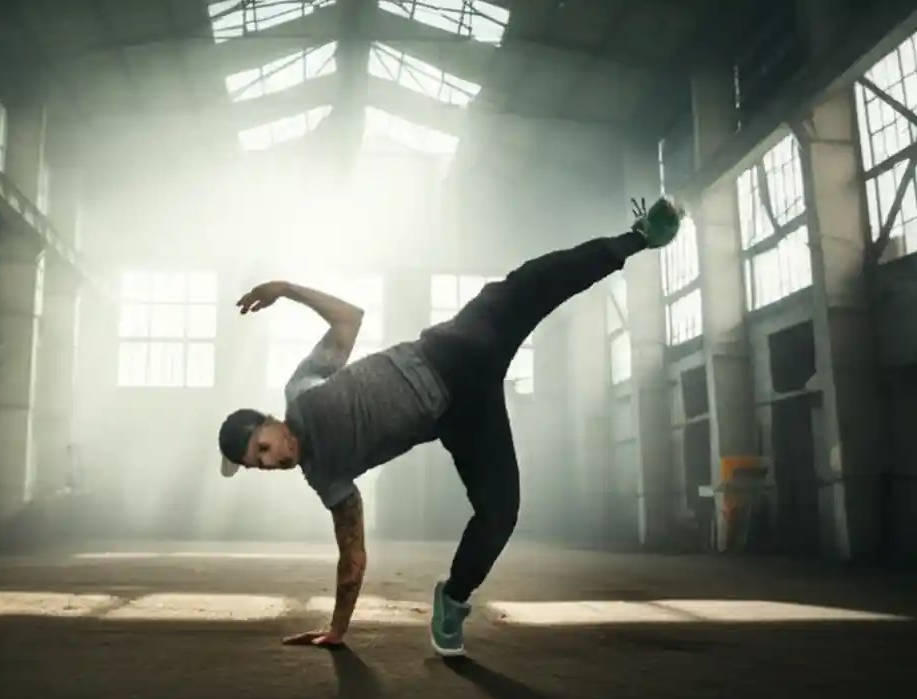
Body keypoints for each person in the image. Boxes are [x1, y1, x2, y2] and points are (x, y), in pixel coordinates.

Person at [217, 197, 686, 656]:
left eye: (262, 447)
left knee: (531, 282)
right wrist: (337, 630)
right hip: (460, 413)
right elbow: (353, 555)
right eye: (259, 465)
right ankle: (454, 597)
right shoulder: (326, 477)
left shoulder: (301, 389)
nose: (271, 462)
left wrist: (287, 288)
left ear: (269, 420)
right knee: (500, 512)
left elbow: (349, 318)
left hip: (453, 346)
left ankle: (638, 237)